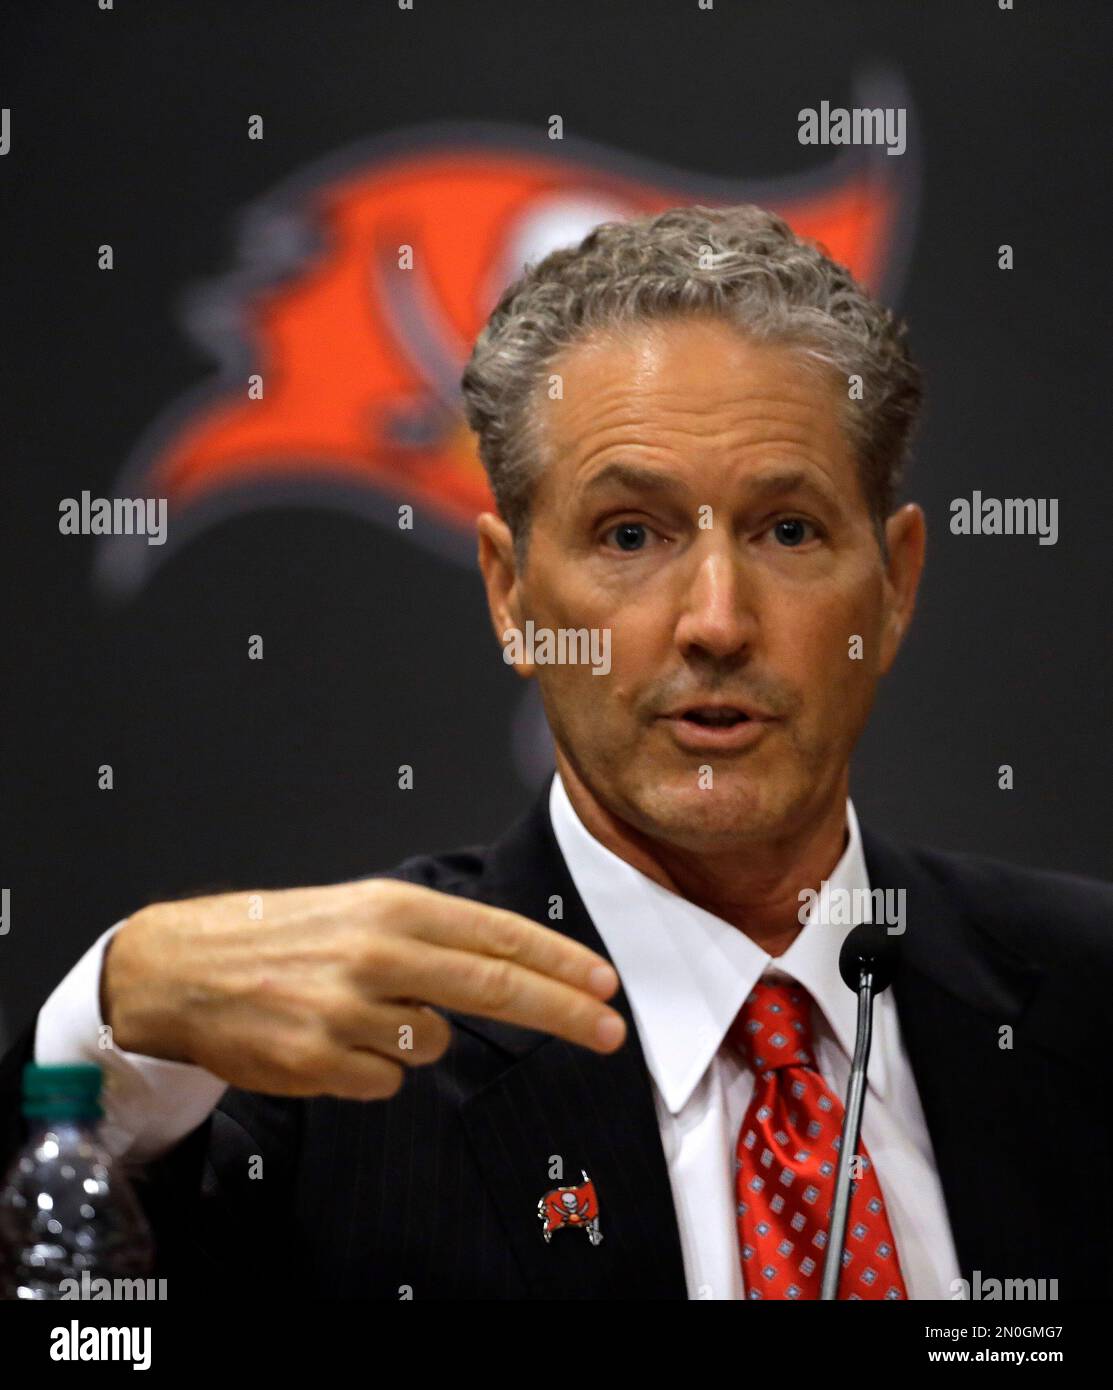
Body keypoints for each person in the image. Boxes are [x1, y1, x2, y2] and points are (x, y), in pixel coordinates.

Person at [3, 205, 1110, 1300]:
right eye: (631, 534)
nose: (716, 620)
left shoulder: (1084, 996)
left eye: (788, 529)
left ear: (897, 581)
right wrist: (102, 1025)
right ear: (513, 594)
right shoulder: (328, 1077)